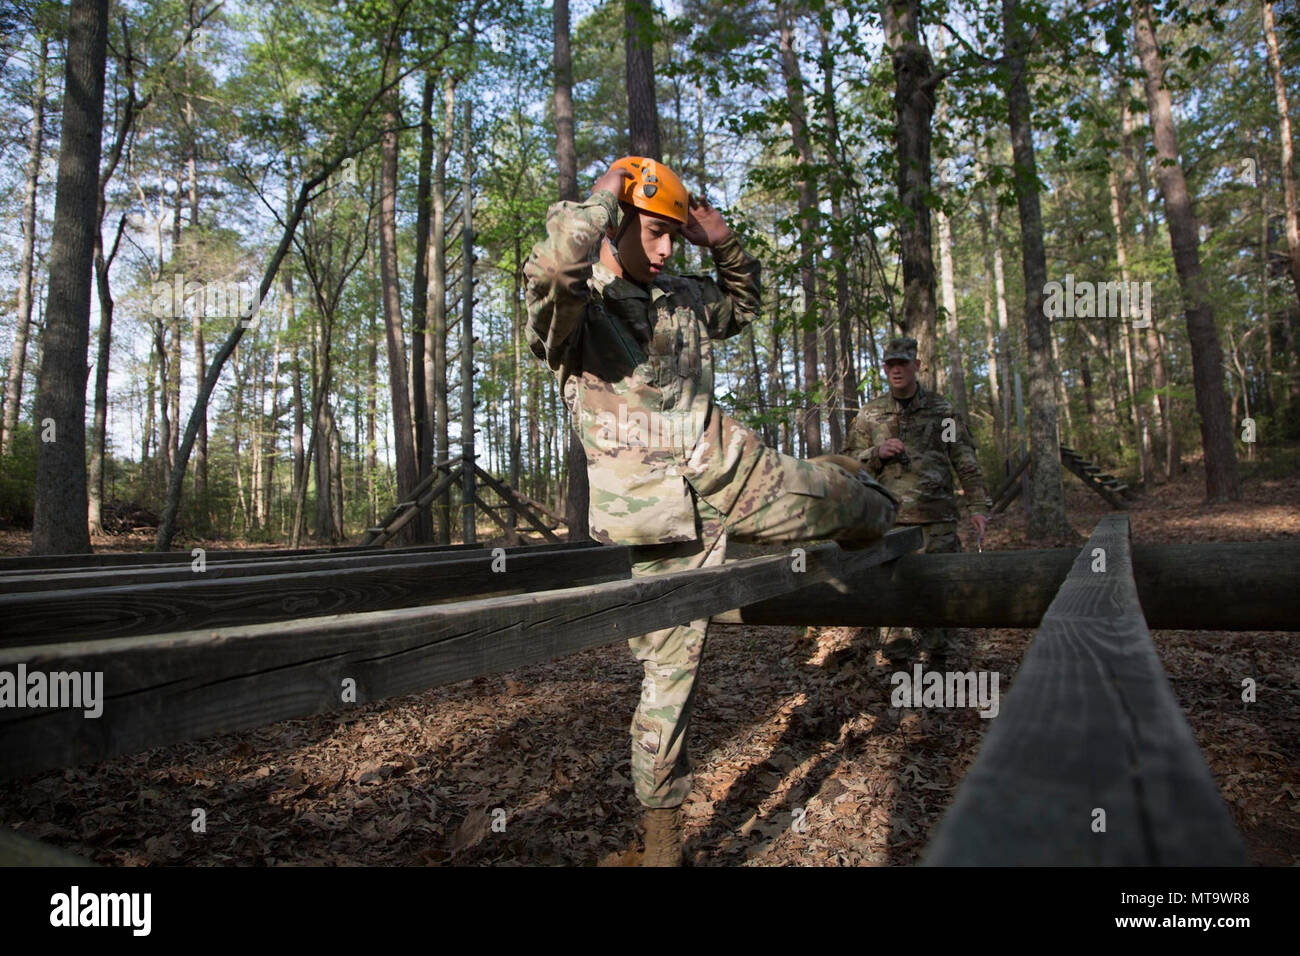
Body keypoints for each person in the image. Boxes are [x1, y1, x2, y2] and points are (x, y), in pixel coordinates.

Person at [523, 156, 898, 866]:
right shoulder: (577, 314)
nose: (666, 249)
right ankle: (662, 851)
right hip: (656, 522)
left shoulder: (683, 298)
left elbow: (748, 302)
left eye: (674, 236)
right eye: (654, 232)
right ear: (617, 223)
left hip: (738, 477)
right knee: (666, 684)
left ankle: (873, 486)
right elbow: (553, 272)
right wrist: (604, 196)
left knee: (844, 500)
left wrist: (718, 237)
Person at [841, 337, 991, 667]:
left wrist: (978, 508)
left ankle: (938, 662)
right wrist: (875, 453)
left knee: (939, 591)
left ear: (916, 366)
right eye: (890, 364)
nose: (896, 369)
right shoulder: (870, 414)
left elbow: (964, 459)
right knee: (894, 594)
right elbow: (849, 464)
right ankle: (900, 668)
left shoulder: (942, 411)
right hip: (890, 521)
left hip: (937, 519)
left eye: (903, 363)